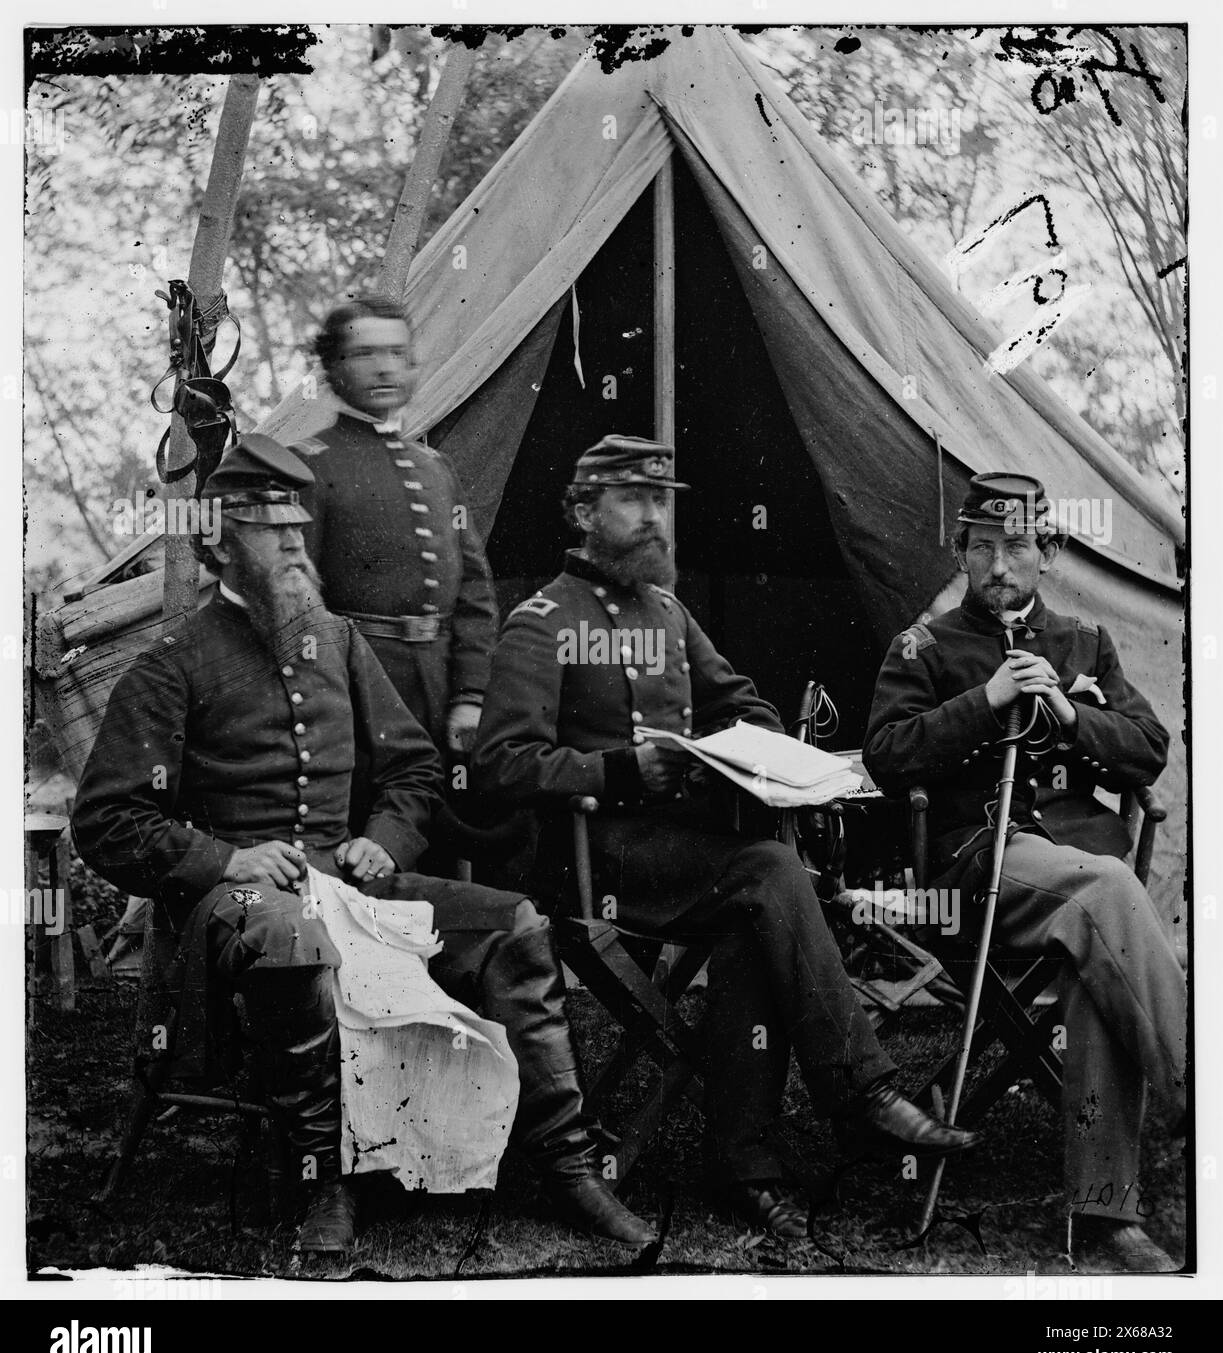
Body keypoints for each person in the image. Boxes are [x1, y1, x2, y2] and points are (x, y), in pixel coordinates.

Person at [72, 436, 655, 1255]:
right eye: (272, 533)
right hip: (231, 904)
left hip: (350, 885)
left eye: (296, 531)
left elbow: (414, 768)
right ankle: (326, 1181)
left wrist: (383, 839)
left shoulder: (339, 643)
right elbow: (104, 820)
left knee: (516, 925)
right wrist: (224, 860)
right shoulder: (172, 665)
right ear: (220, 543)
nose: (292, 547)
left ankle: (568, 1167)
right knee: (285, 932)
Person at [470, 434, 979, 1241]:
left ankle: (745, 1168)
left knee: (755, 920)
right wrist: (625, 771)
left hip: (687, 858)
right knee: (772, 874)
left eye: (661, 500)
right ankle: (861, 1092)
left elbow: (744, 704)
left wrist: (755, 757)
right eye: (633, 500)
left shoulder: (668, 612)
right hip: (594, 857)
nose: (653, 518)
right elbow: (500, 764)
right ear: (581, 511)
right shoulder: (542, 621)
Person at [862, 472, 1187, 1273]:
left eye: (1015, 547)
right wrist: (987, 698)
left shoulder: (1083, 642)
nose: (998, 564)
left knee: (1094, 944)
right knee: (1110, 894)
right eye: (980, 548)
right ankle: (1195, 1102)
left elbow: (1149, 747)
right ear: (961, 555)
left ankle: (1105, 1209)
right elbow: (886, 755)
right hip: (978, 869)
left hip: (1076, 867)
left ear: (1047, 552)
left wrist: (1075, 716)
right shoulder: (924, 647)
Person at [292, 294, 497, 761]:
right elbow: (298, 605)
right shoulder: (307, 465)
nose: (385, 369)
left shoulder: (435, 467)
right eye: (365, 354)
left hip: (444, 685)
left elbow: (473, 592)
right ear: (331, 369)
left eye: (397, 354)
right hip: (359, 688)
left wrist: (471, 695)